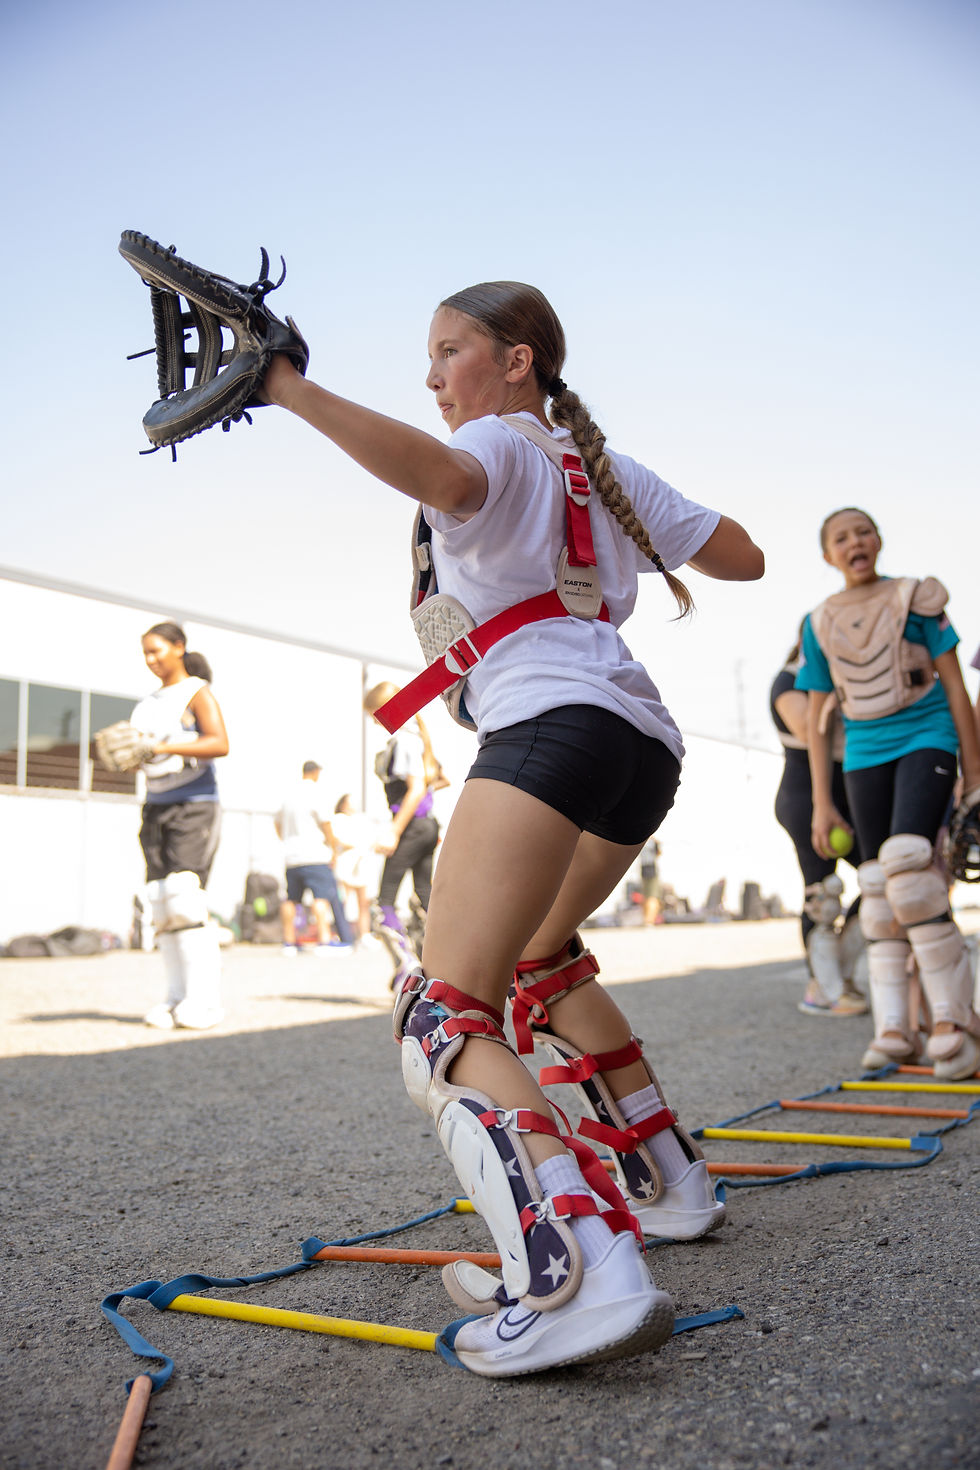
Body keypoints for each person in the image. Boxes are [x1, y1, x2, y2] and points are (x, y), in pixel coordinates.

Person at [261, 279, 763, 1377]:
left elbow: (444, 474)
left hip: (548, 727)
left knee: (442, 1015)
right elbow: (741, 556)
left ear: (517, 360)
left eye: (448, 352)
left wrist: (287, 388)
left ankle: (579, 1274)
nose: (434, 378)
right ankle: (671, 1184)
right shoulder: (598, 463)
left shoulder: (491, 439)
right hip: (640, 741)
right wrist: (619, 518)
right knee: (536, 959)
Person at [797, 508, 980, 1081]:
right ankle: (894, 1028)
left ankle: (954, 1022)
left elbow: (955, 684)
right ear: (828, 555)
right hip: (864, 751)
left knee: (911, 871)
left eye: (864, 530)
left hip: (927, 736)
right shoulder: (818, 621)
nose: (856, 541)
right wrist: (822, 803)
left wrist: (974, 776)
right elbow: (817, 718)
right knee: (875, 887)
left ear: (879, 540)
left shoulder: (916, 598)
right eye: (841, 537)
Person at [132, 621, 229, 1029]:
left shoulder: (196, 691)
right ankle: (174, 998)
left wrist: (162, 745)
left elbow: (219, 742)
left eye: (157, 650)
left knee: (184, 898)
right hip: (155, 803)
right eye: (146, 654)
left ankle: (204, 1001)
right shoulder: (147, 702)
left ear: (178, 647)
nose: (152, 660)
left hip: (194, 804)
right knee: (159, 899)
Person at [770, 632, 866, 1015]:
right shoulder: (789, 679)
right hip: (805, 799)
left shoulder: (851, 679)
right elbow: (810, 730)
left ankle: (840, 971)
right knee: (822, 894)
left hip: (851, 796)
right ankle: (822, 989)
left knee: (883, 881)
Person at [362, 684, 443, 984]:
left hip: (412, 827)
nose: (373, 722)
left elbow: (418, 787)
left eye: (374, 715)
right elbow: (436, 779)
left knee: (383, 904)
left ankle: (406, 969)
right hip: (424, 824)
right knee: (425, 899)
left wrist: (395, 831)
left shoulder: (404, 741)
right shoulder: (417, 738)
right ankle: (443, 966)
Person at [274, 761, 355, 955]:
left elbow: (277, 823)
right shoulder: (316, 793)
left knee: (291, 899)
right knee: (321, 897)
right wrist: (333, 848)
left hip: (292, 856)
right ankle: (325, 940)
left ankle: (289, 942)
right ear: (316, 772)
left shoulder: (288, 794)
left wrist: (287, 840)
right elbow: (325, 823)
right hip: (315, 854)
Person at [330, 793, 384, 942]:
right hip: (346, 863)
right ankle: (340, 932)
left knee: (364, 901)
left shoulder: (362, 820)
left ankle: (364, 934)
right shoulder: (337, 819)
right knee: (343, 900)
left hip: (361, 864)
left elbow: (371, 839)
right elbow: (336, 840)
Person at [638, 839, 664, 926]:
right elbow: (658, 854)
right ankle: (649, 920)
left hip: (643, 869)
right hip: (652, 869)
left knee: (646, 896)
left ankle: (647, 919)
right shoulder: (652, 841)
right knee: (653, 896)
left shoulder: (642, 839)